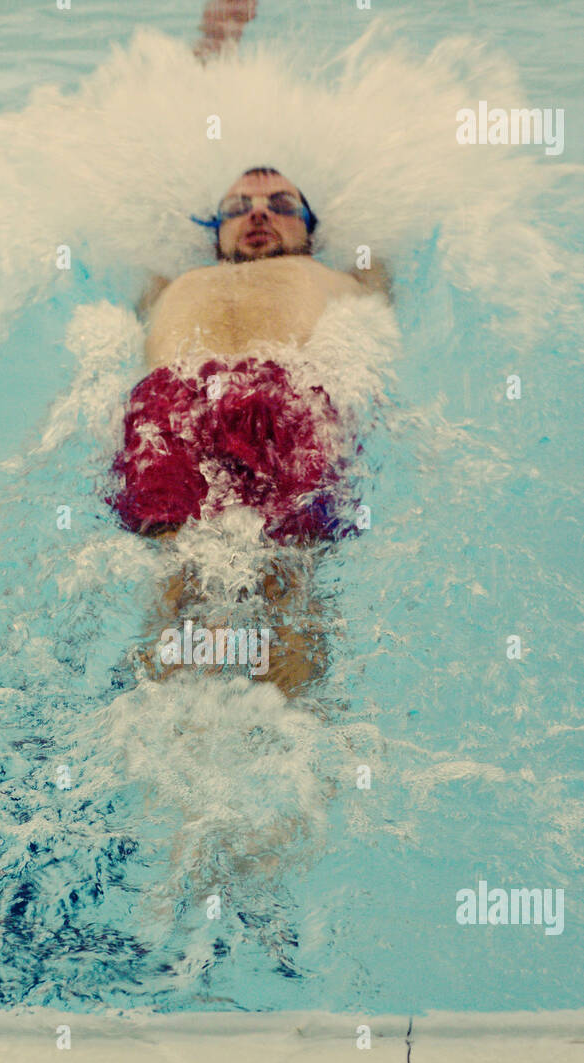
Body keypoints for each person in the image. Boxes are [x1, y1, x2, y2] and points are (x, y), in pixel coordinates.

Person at [109, 0, 390, 693]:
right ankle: (154, 750)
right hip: (170, 405)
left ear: (312, 230)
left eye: (281, 204)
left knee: (285, 585)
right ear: (214, 233)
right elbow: (151, 156)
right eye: (238, 207)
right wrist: (217, 42)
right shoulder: (174, 278)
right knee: (173, 589)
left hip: (284, 396)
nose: (258, 211)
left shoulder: (343, 273)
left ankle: (296, 754)